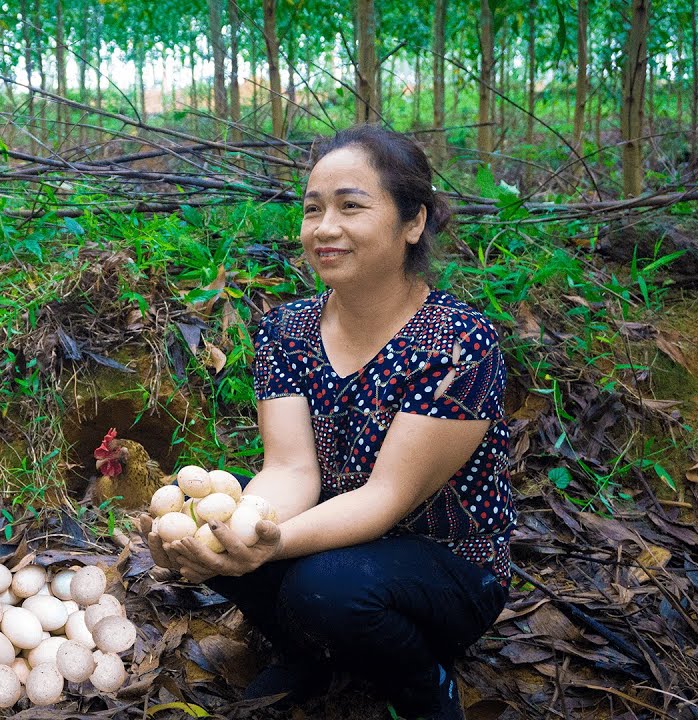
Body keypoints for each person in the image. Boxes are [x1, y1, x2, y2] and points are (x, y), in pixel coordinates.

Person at [138, 125, 515, 720]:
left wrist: (275, 544)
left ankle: (425, 690)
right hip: (333, 540)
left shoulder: (458, 342)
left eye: (351, 206)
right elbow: (289, 469)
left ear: (413, 222)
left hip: (447, 564)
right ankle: (306, 653)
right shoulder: (287, 330)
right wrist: (240, 531)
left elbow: (387, 497)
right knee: (219, 519)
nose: (324, 228)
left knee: (324, 583)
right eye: (313, 210)